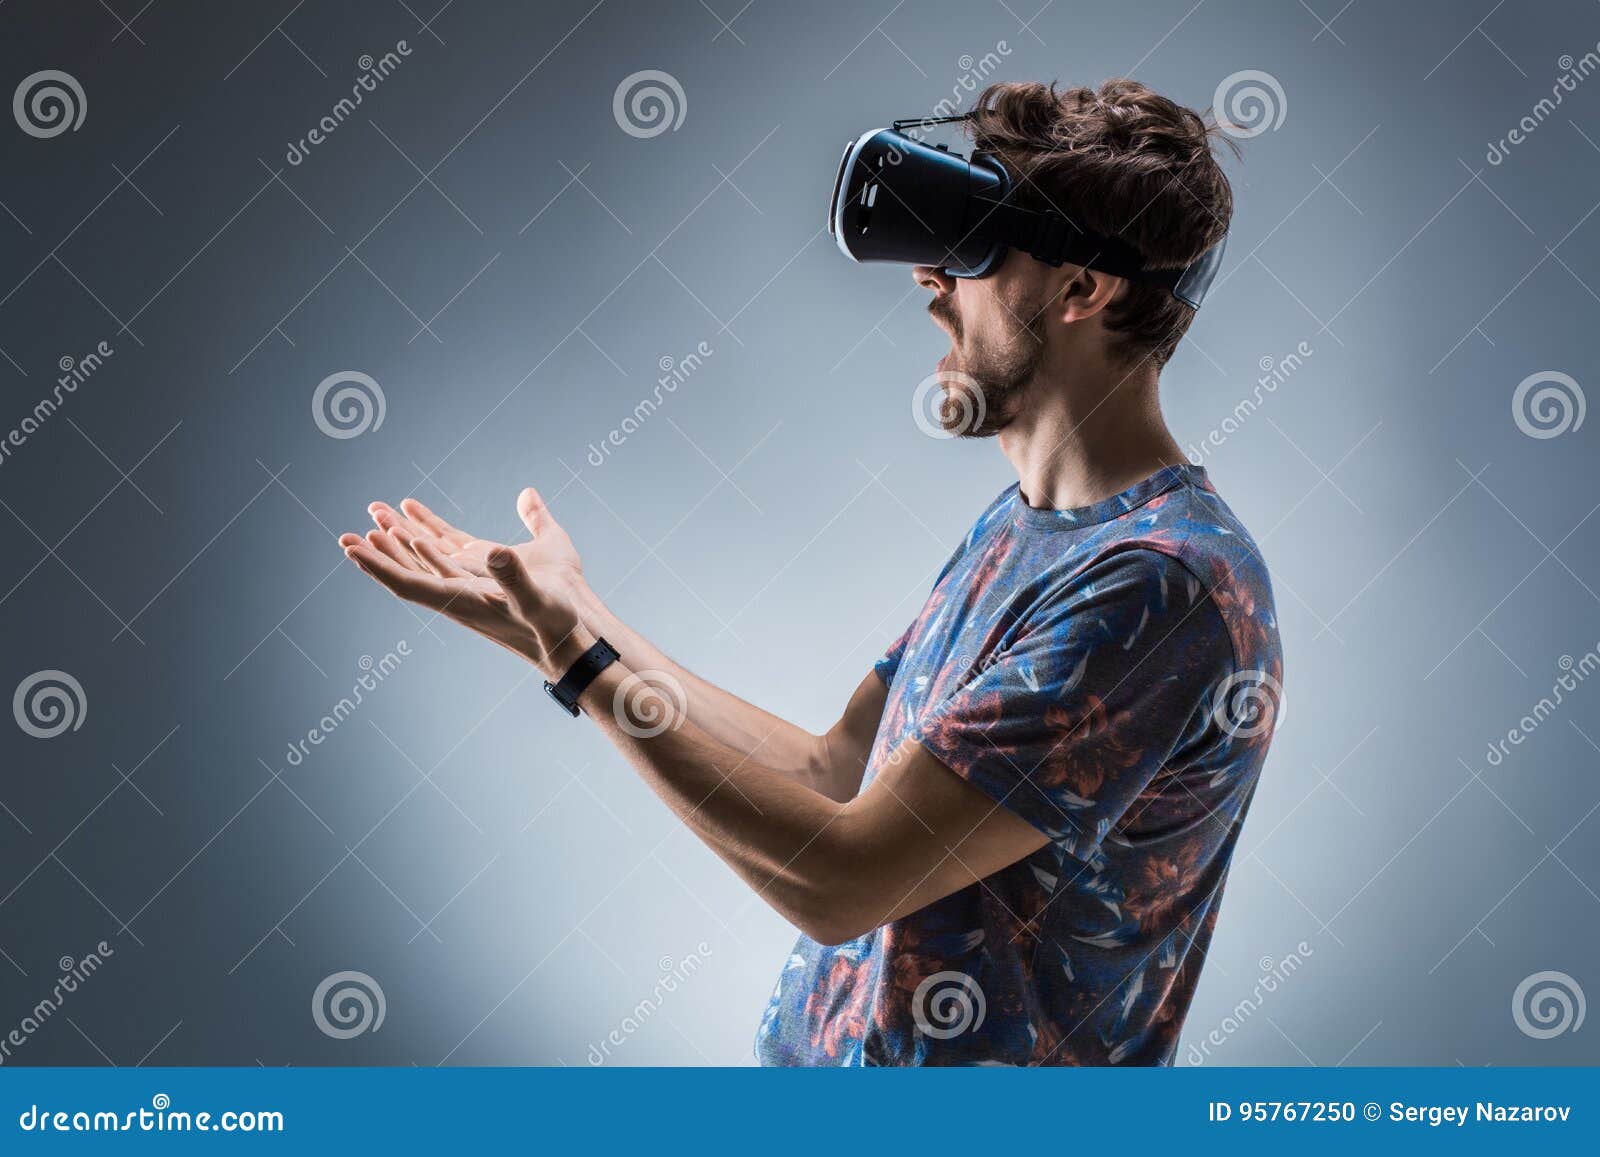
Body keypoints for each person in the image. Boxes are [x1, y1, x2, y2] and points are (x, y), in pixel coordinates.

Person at [339, 78, 1283, 1066]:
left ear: (1082, 289)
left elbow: (842, 877)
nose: (928, 280)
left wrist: (582, 663)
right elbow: (836, 770)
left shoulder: (1161, 587)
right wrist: (571, 623)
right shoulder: (1025, 529)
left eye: (972, 249)